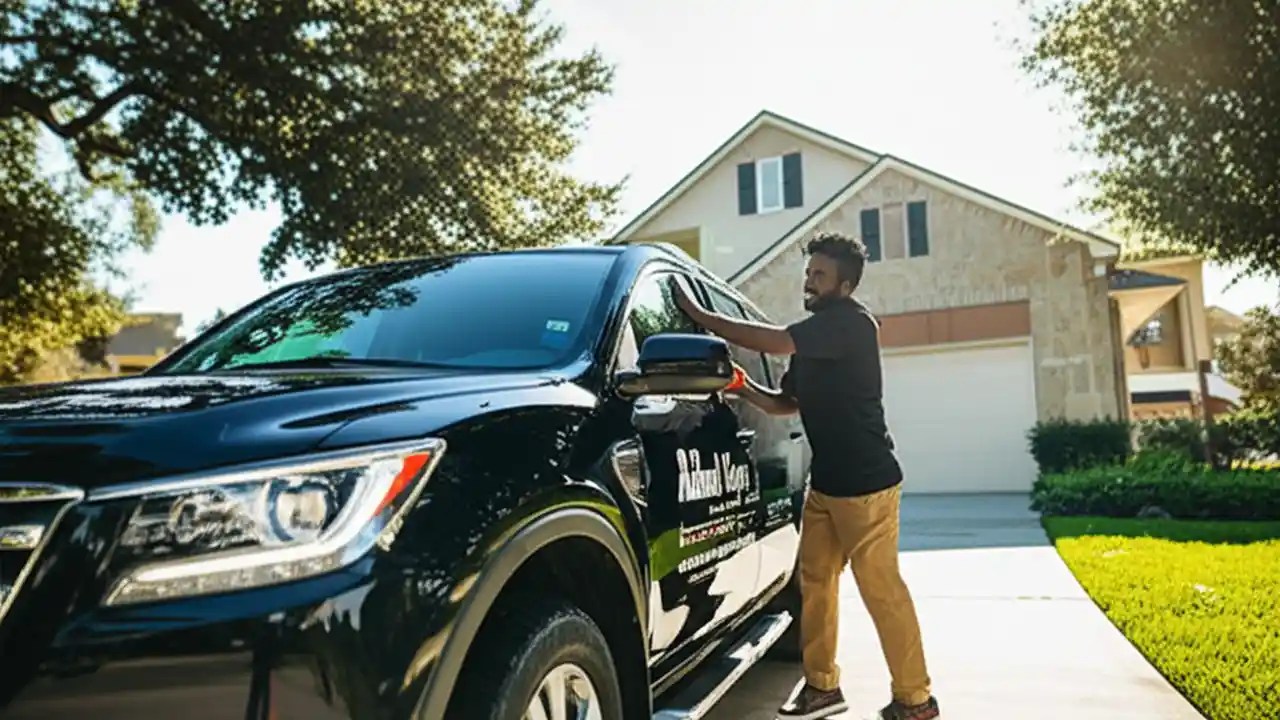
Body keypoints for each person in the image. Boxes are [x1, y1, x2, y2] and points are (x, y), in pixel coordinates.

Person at [672, 231, 940, 720]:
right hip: (827, 485)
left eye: (819, 274)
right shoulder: (813, 338)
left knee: (882, 591)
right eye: (808, 272)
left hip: (868, 487)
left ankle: (916, 699)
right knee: (816, 583)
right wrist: (742, 385)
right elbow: (786, 403)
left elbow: (774, 339)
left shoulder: (852, 325)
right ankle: (821, 688)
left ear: (845, 285)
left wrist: (703, 318)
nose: (809, 281)